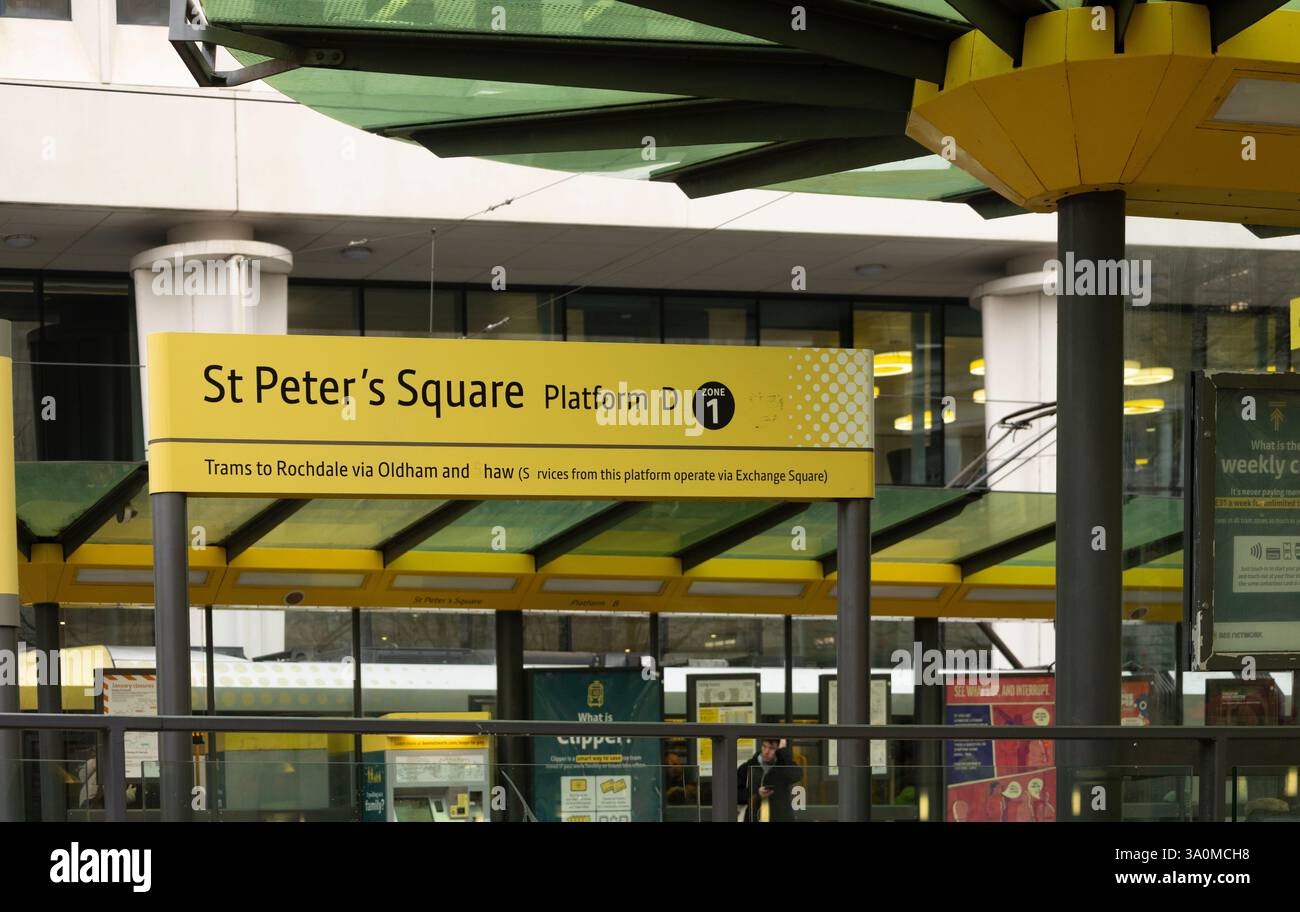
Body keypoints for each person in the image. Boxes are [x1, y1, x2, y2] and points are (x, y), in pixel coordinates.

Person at [736, 738, 801, 822]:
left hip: (780, 816)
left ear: (778, 749)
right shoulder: (748, 766)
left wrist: (783, 752)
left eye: (771, 748)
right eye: (764, 746)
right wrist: (757, 793)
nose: (766, 751)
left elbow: (797, 775)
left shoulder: (783, 766)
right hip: (755, 816)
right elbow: (736, 794)